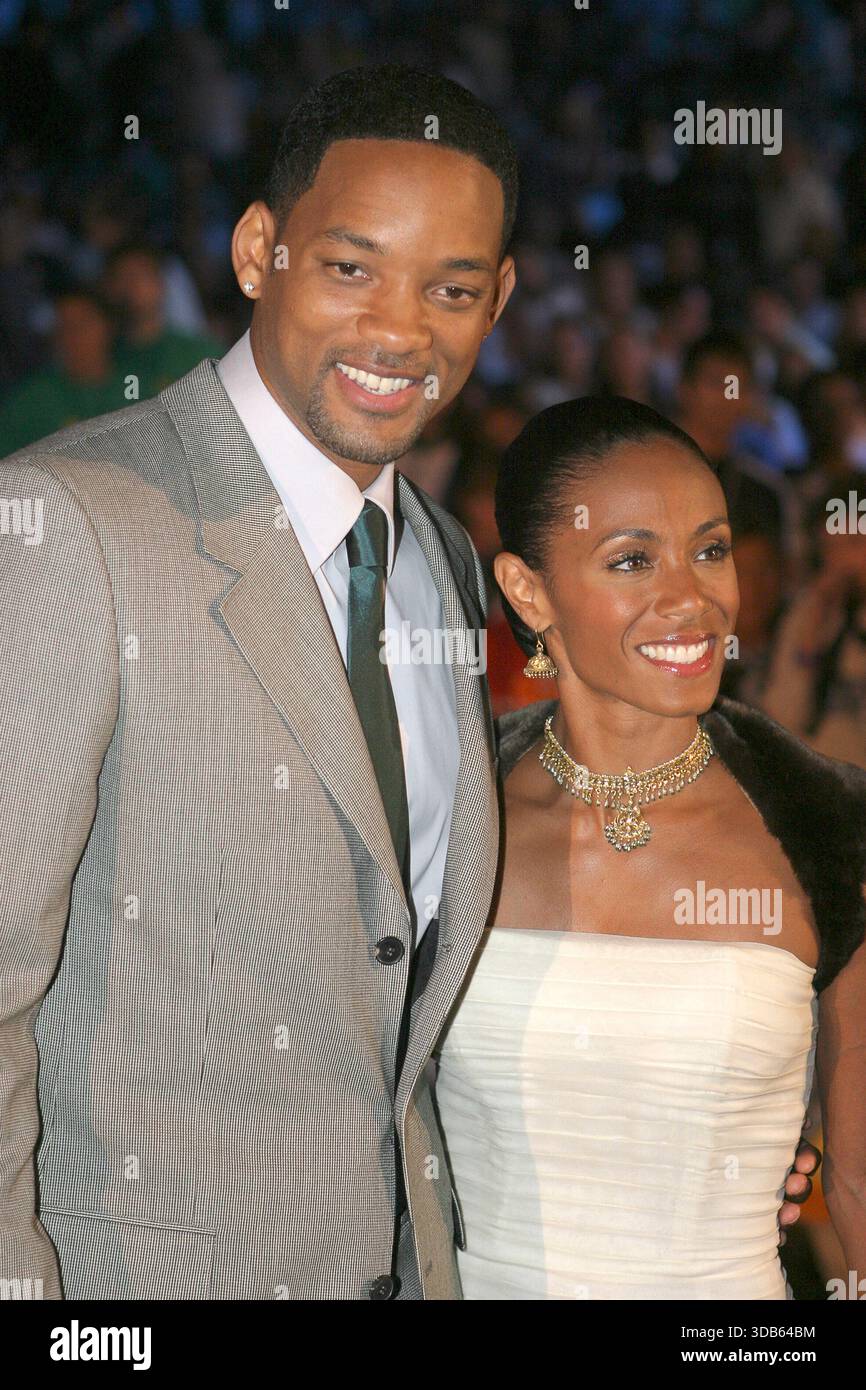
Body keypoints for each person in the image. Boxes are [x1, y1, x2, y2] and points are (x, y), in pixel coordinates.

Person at [0, 65, 815, 1304]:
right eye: (348, 267)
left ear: (493, 303)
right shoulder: (76, 523)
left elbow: (388, 995)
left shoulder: (436, 559)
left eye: (447, 290)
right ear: (256, 249)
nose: (398, 329)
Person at [433, 397, 864, 1300]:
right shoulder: (437, 821)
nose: (692, 599)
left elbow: (857, 1183)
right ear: (527, 591)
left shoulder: (831, 829)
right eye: (632, 561)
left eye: (710, 550)